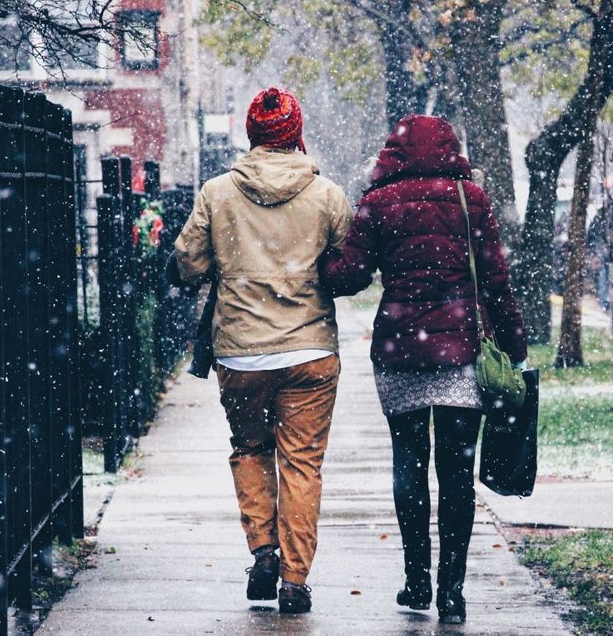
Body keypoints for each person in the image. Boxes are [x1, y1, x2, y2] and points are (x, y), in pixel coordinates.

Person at [319, 115, 527, 625]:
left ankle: (417, 582)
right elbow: (495, 278)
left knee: (408, 465)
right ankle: (452, 590)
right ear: (451, 148)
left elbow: (351, 275)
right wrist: (515, 344)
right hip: (460, 350)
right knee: (457, 474)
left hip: (399, 349)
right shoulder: (469, 198)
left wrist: (317, 261)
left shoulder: (378, 201)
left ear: (395, 151)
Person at [172, 87, 352, 615]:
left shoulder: (218, 193)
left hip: (242, 353)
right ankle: (295, 580)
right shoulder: (327, 196)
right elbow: (348, 267)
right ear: (296, 133)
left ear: (252, 134)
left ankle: (263, 552)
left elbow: (188, 263)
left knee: (251, 449)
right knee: (302, 465)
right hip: (310, 350)